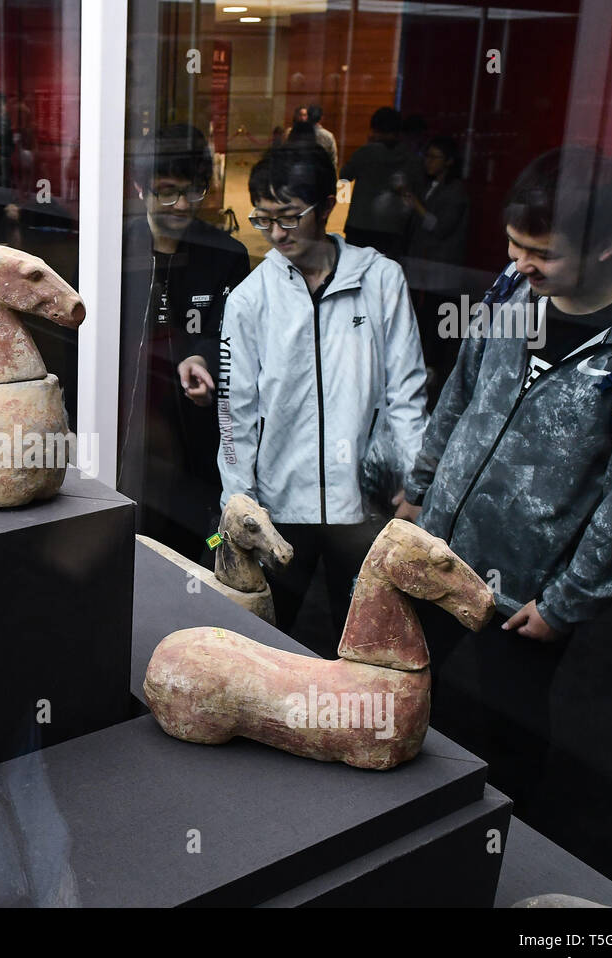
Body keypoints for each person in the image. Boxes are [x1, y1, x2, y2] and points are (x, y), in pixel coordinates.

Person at [395, 146, 612, 802]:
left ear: (605, 245)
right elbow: (462, 390)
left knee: (512, 724)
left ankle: (507, 837)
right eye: (513, 244)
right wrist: (420, 488)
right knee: (404, 679)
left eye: (542, 252)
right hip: (442, 544)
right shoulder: (513, 287)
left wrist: (566, 603)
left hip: (530, 585)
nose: (519, 262)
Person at [219, 142, 428, 647]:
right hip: (278, 506)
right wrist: (238, 500)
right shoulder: (250, 298)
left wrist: (415, 484)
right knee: (264, 639)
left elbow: (405, 392)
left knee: (368, 643)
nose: (277, 233)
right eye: (264, 219)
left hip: (365, 505)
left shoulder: (381, 279)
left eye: (290, 216)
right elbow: (234, 411)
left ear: (328, 206)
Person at [118, 124, 252, 560]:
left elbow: (228, 335)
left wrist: (203, 358)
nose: (181, 204)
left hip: (195, 429)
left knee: (193, 540)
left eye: (193, 191)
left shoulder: (226, 254)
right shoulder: (112, 249)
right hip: (124, 418)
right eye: (167, 191)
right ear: (140, 188)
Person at [401, 135, 470, 405]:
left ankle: (433, 366)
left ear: (449, 162)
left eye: (434, 157)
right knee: (420, 313)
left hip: (441, 265)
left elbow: (440, 227)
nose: (428, 162)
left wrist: (416, 205)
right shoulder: (428, 185)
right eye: (426, 156)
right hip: (422, 262)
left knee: (436, 316)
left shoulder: (456, 192)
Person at [339, 107, 424, 260]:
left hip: (359, 223)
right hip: (393, 227)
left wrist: (343, 201)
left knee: (355, 268)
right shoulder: (411, 158)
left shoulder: (365, 153)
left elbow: (344, 176)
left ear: (374, 128)